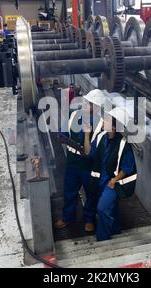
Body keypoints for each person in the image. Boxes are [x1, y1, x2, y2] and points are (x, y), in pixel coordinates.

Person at [54, 89, 106, 233]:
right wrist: (61, 135)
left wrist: (87, 136)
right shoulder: (73, 115)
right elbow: (64, 131)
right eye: (85, 101)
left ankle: (89, 219)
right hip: (72, 163)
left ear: (96, 107)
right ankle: (67, 217)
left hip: (89, 166)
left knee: (91, 193)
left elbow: (92, 152)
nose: (84, 104)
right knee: (69, 191)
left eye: (88, 103)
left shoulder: (101, 125)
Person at [84, 107, 137, 241]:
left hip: (112, 184)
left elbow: (127, 167)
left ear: (113, 127)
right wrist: (86, 134)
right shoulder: (102, 137)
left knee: (102, 208)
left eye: (106, 120)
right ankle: (116, 230)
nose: (103, 121)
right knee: (110, 209)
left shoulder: (123, 144)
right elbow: (89, 153)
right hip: (99, 181)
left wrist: (114, 180)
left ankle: (103, 239)